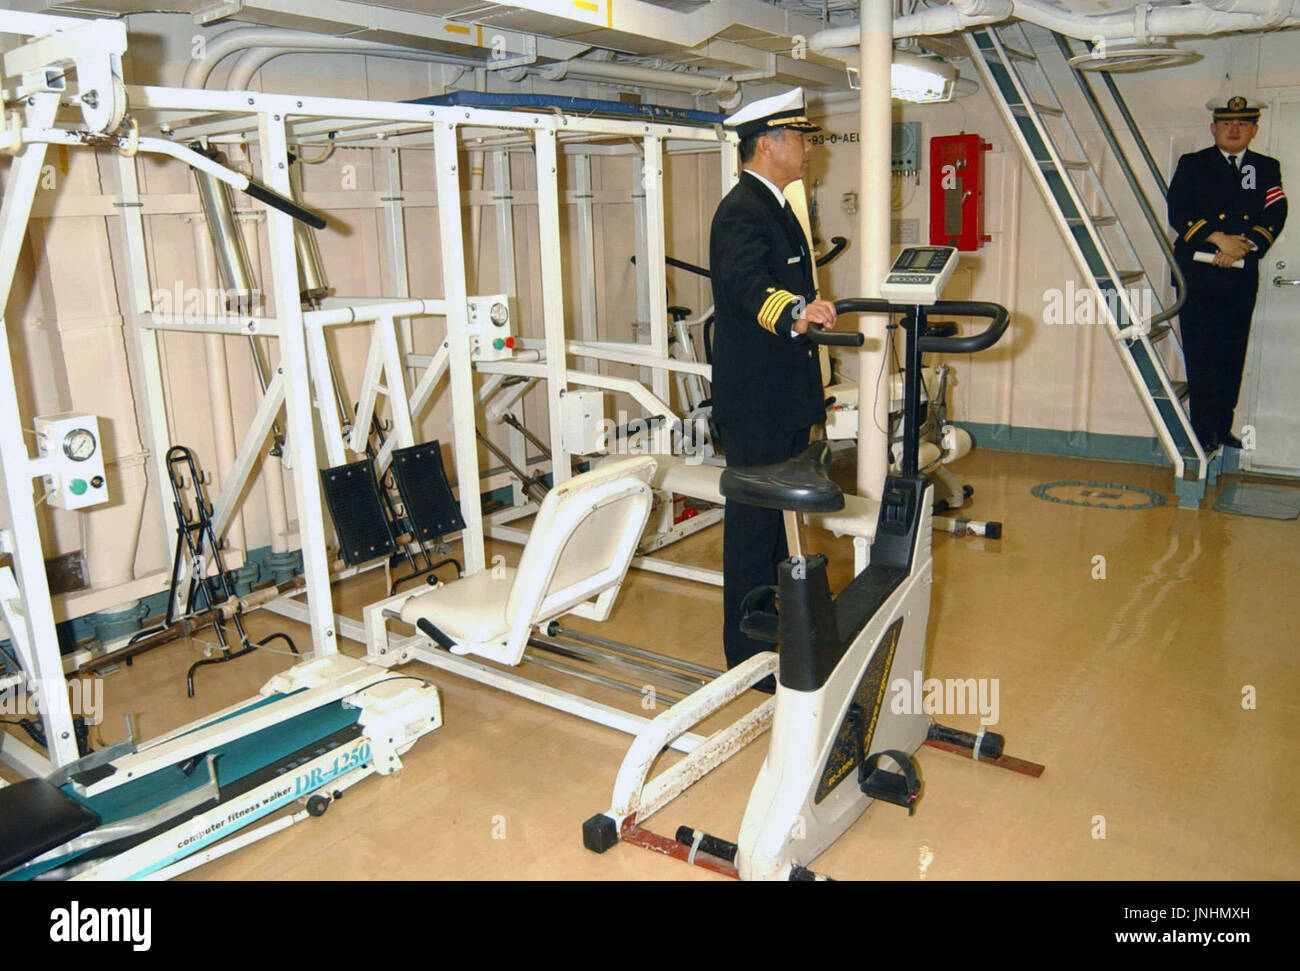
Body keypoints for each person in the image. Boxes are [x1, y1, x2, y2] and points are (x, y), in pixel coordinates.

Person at [709, 88, 837, 684]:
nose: (809, 148)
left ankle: (770, 627)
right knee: (753, 528)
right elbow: (747, 284)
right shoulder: (742, 209)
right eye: (801, 137)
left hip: (780, 395)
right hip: (758, 402)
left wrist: (811, 306)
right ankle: (745, 651)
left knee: (773, 524)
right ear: (769, 144)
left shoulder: (780, 205)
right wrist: (793, 311)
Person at [1167, 95, 1287, 452]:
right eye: (1227, 124)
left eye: (1243, 124)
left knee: (1232, 352)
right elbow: (1179, 210)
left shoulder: (1266, 167)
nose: (1234, 130)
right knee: (1202, 352)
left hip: (1239, 273)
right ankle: (1202, 432)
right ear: (1213, 128)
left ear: (1254, 129)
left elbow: (1275, 213)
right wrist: (1218, 239)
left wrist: (1245, 245)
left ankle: (1222, 427)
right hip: (1198, 273)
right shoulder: (1193, 163)